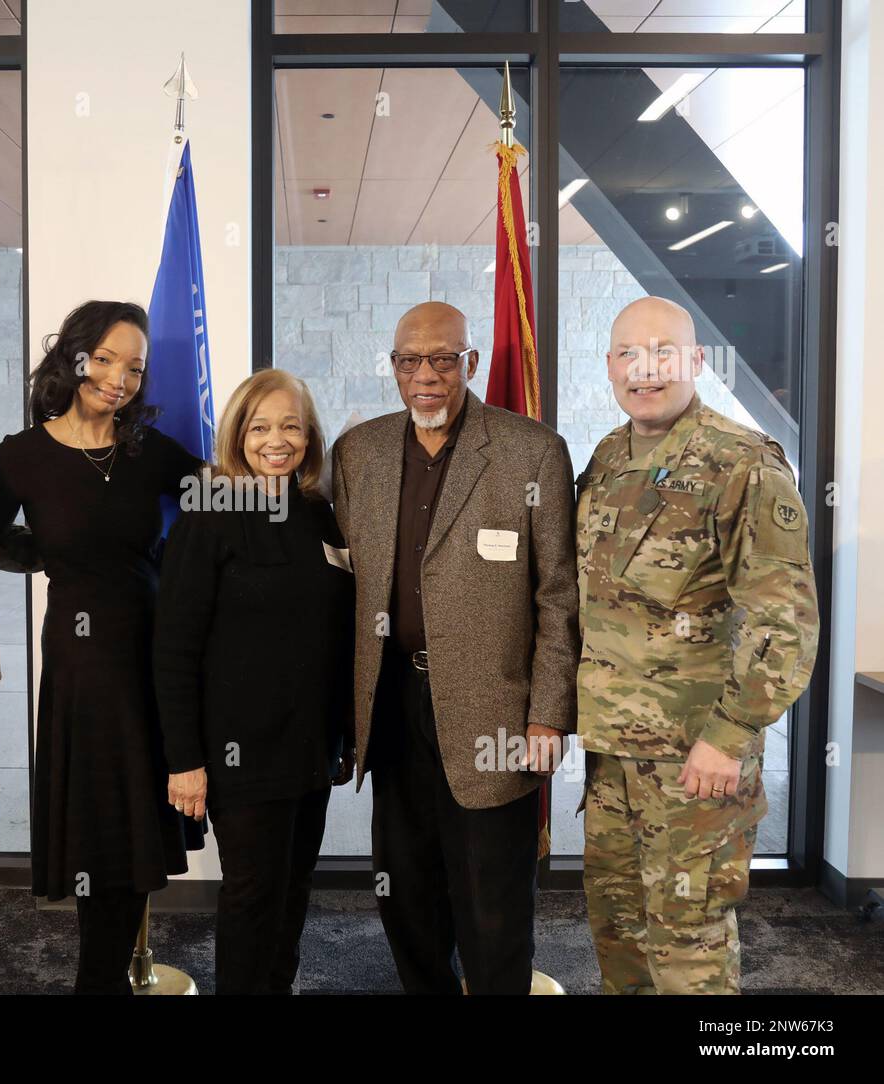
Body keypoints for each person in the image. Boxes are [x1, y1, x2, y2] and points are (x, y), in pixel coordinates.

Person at [330, 301, 580, 995]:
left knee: (493, 906)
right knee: (406, 895)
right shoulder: (360, 454)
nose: (426, 376)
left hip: (497, 715)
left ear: (471, 363)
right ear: (393, 368)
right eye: (409, 360)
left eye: (444, 358)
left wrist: (549, 715)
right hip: (392, 704)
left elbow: (558, 594)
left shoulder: (531, 451)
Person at [577, 295, 819, 995]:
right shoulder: (609, 456)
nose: (644, 370)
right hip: (614, 756)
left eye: (662, 353)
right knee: (619, 934)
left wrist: (730, 733)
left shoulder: (740, 463)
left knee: (688, 949)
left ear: (697, 362)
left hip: (696, 760)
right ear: (611, 365)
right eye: (628, 354)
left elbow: (783, 619)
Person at [0, 300, 202, 995]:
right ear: (74, 357)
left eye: (133, 366)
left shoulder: (148, 449)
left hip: (153, 655)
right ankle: (97, 979)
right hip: (81, 663)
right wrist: (50, 555)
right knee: (100, 826)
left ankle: (105, 978)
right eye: (105, 359)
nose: (119, 378)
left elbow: (220, 501)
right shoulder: (19, 455)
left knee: (136, 825)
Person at [154, 370, 355, 995]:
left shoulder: (321, 514)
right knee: (251, 895)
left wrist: (344, 735)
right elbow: (174, 647)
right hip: (237, 750)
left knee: (294, 889)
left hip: (310, 746)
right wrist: (184, 760)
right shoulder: (209, 515)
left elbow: (338, 635)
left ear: (310, 435)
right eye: (261, 426)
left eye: (291, 426)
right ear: (238, 434)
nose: (277, 440)